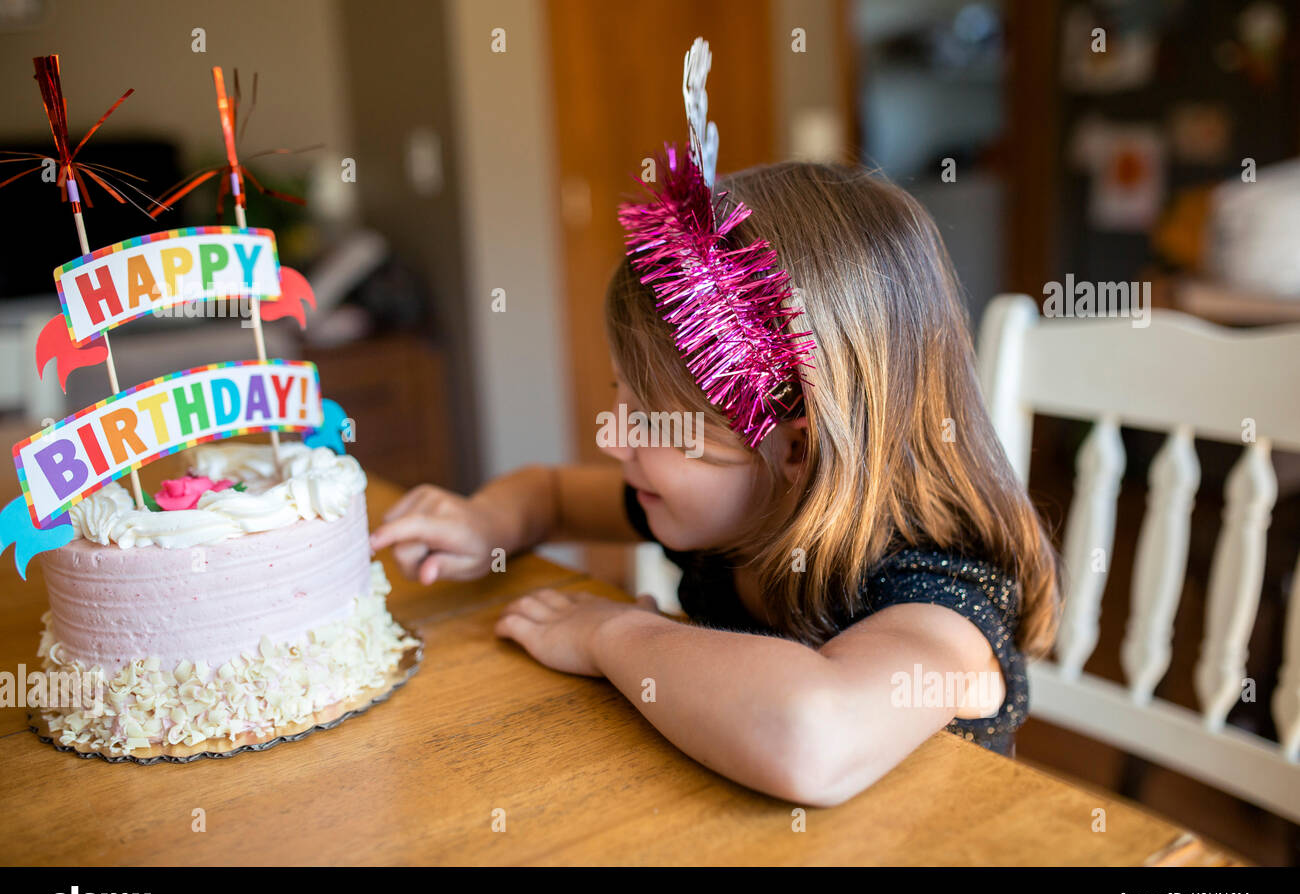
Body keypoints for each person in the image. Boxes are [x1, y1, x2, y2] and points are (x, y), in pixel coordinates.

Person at [370, 161, 1062, 807]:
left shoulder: (940, 596)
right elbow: (548, 495)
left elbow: (811, 737)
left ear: (795, 448)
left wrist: (615, 635)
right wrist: (487, 523)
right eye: (621, 399)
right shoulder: (729, 513)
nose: (615, 439)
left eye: (654, 422)